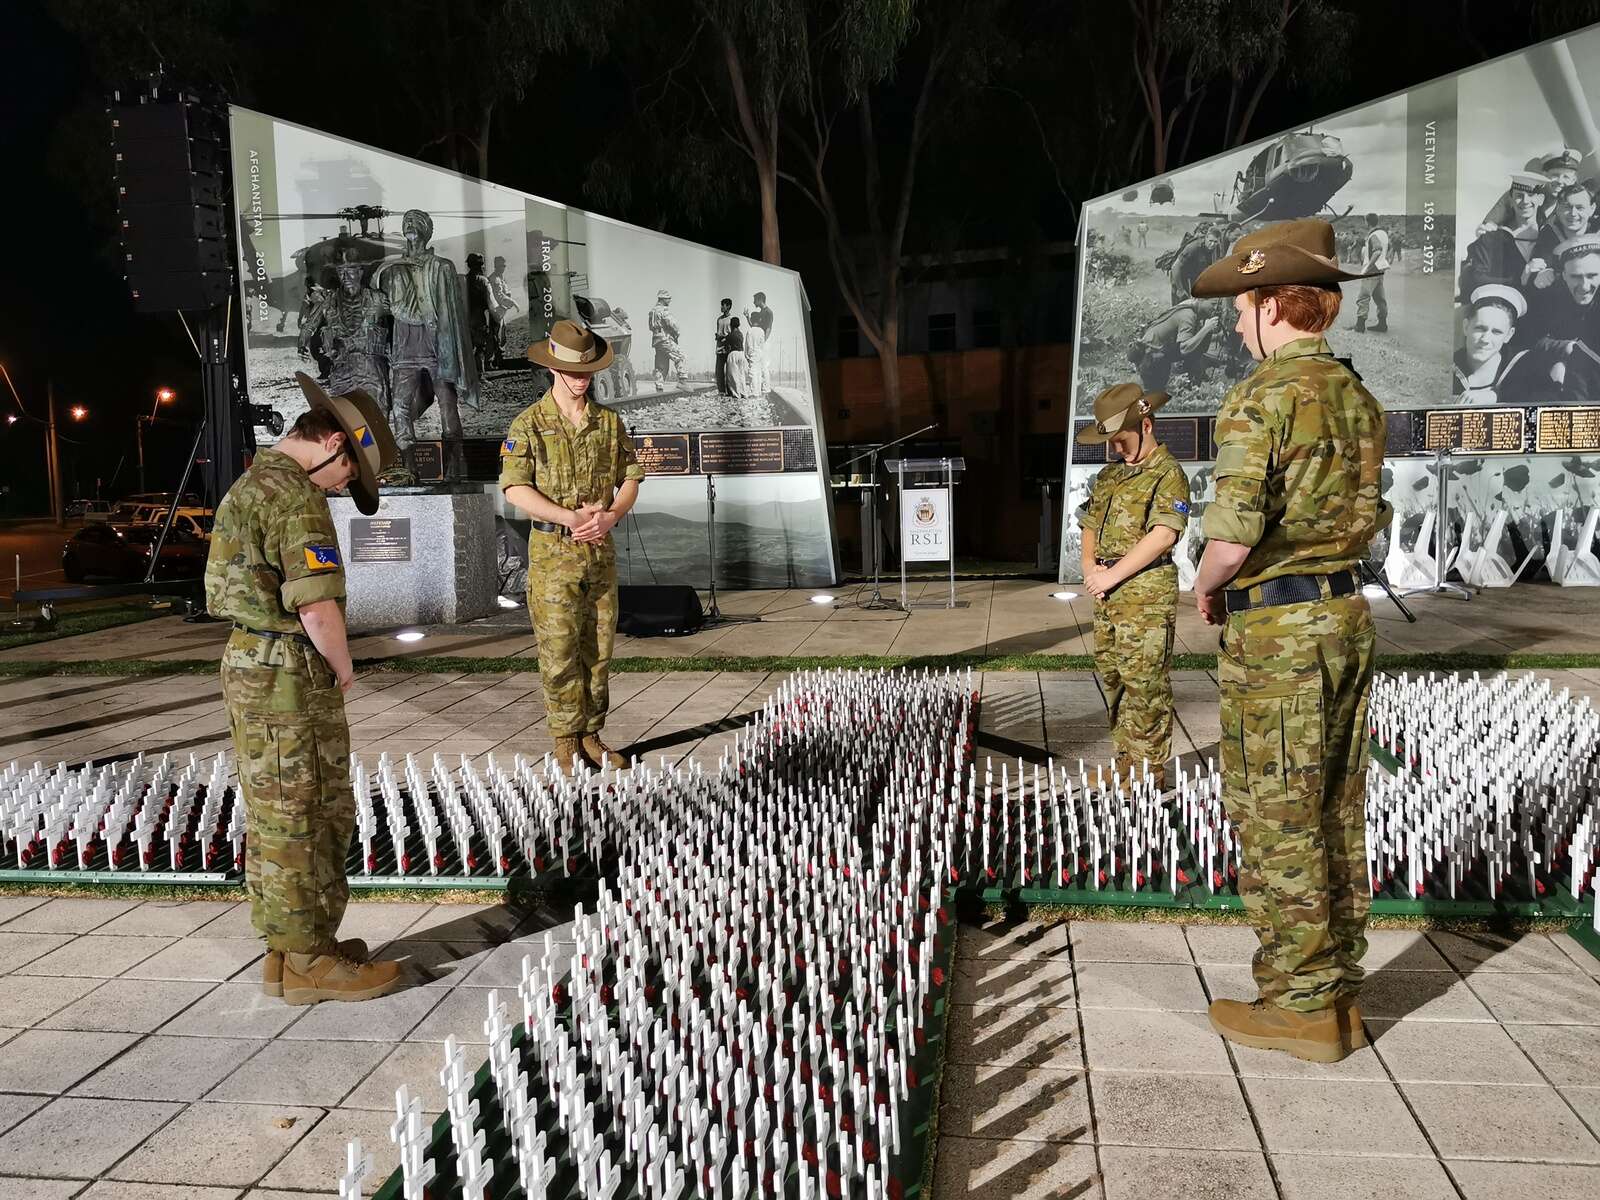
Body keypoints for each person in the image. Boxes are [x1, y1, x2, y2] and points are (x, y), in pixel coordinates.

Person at [1188, 218, 1390, 1063]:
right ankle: (1336, 995)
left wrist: (1205, 586)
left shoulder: (1264, 395)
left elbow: (1232, 534)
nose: (1236, 323)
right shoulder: (1355, 394)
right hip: (1345, 620)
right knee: (1336, 809)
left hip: (1280, 636)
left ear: (1274, 303)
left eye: (1243, 305)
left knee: (1278, 817)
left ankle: (1300, 1007)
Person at [206, 372, 402, 1005]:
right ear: (332, 446)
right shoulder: (296, 497)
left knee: (274, 811)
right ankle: (309, 963)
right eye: (351, 474)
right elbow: (316, 607)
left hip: (250, 661)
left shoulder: (254, 482)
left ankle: (288, 950)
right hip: (288, 672)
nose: (345, 488)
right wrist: (342, 665)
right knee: (305, 811)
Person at [499, 320, 646, 773]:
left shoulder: (608, 423)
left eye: (587, 372)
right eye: (572, 372)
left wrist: (612, 515)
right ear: (552, 369)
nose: (581, 379)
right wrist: (568, 517)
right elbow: (513, 488)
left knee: (598, 650)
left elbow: (631, 477)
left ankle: (591, 735)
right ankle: (565, 741)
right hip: (553, 556)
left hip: (598, 552)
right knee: (559, 648)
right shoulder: (528, 424)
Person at [1075, 382, 1190, 790]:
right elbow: (1089, 523)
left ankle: (1149, 773)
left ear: (1146, 424)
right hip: (1106, 591)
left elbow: (1163, 534)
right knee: (1114, 679)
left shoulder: (1168, 474)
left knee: (1146, 683)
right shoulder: (1109, 476)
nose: (1116, 450)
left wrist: (1111, 574)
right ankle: (1125, 762)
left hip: (1145, 592)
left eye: (1122, 441)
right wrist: (1092, 569)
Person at [369, 208, 477, 480]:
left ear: (426, 231)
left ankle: (456, 464)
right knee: (400, 407)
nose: (410, 226)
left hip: (436, 350)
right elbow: (382, 308)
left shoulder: (442, 267)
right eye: (407, 222)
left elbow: (451, 313)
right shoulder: (392, 270)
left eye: (416, 223)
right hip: (405, 351)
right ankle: (408, 467)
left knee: (447, 404)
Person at [299, 249, 391, 405]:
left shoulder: (378, 299)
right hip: (341, 372)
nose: (345, 276)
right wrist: (302, 345)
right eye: (341, 271)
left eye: (350, 271)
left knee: (375, 421)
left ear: (360, 272)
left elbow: (402, 319)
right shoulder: (329, 301)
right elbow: (309, 326)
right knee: (347, 420)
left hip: (372, 372)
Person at [1520, 234, 1600, 402]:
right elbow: (1529, 339)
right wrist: (1564, 348)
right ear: (1563, 275)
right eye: (1575, 276)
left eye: (1592, 276)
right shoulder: (1551, 297)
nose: (1585, 286)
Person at [1459, 171, 1545, 297]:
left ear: (1541, 200)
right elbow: (1474, 280)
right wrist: (1519, 279)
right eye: (1519, 195)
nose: (1525, 201)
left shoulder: (1548, 236)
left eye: (1531, 194)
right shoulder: (1492, 237)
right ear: (1510, 200)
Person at [1453, 285, 1532, 404]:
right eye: (1480, 328)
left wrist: (1495, 397)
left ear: (1509, 335)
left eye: (1496, 332)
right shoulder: (1449, 366)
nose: (1485, 339)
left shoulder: (1523, 366)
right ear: (1466, 327)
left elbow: (1547, 398)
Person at [1126, 299, 1223, 392]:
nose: (1215, 309)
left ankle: (1193, 379)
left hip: (1155, 356)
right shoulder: (1188, 315)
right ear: (1201, 299)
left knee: (1198, 344)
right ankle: (1190, 380)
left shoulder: (1190, 305)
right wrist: (1206, 328)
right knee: (1156, 398)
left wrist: (1213, 335)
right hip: (1152, 361)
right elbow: (1184, 348)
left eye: (1218, 306)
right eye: (1213, 304)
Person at [1526, 182, 1598, 289]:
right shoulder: (1548, 235)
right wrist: (1541, 274)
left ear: (1592, 209)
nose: (1573, 213)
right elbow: (1539, 265)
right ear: (1558, 209)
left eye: (1580, 208)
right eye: (1567, 207)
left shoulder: (1597, 232)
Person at [1354, 213, 1389, 332]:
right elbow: (1386, 250)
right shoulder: (1383, 233)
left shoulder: (1373, 235)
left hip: (1372, 270)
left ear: (1367, 222)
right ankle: (1382, 324)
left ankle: (1360, 325)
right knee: (1380, 298)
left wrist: (1367, 267)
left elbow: (1377, 251)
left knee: (1363, 297)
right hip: (1381, 268)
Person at [649, 288, 686, 391]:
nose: (670, 300)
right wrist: (677, 332)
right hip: (665, 339)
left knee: (661, 365)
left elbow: (650, 327)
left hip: (656, 340)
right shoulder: (663, 310)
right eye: (668, 298)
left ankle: (659, 387)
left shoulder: (652, 311)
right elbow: (672, 324)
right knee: (680, 356)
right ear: (663, 298)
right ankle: (682, 381)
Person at [465, 253, 495, 376]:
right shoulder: (483, 281)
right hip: (479, 317)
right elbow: (491, 302)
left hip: (465, 318)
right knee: (480, 347)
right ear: (480, 265)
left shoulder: (463, 280)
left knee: (468, 347)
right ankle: (479, 375)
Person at [490, 255, 519, 356]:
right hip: (497, 311)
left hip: (501, 310)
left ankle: (498, 355)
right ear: (496, 266)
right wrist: (514, 303)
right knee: (497, 334)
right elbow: (499, 297)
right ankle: (496, 357)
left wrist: (509, 298)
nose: (503, 268)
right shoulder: (495, 279)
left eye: (504, 266)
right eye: (501, 266)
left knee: (501, 333)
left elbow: (506, 292)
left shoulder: (500, 278)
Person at [724, 317, 750, 397]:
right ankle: (743, 393)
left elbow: (726, 346)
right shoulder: (740, 334)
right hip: (741, 354)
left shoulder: (730, 335)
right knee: (741, 375)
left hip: (733, 354)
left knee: (732, 375)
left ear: (731, 325)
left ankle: (735, 394)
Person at [715, 298, 733, 394]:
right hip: (719, 348)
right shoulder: (719, 319)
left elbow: (731, 334)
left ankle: (730, 391)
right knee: (719, 371)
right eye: (721, 305)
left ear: (728, 306)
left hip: (728, 348)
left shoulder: (731, 319)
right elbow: (718, 332)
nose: (721, 307)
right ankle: (721, 391)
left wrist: (723, 336)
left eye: (723, 305)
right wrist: (717, 336)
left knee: (729, 371)